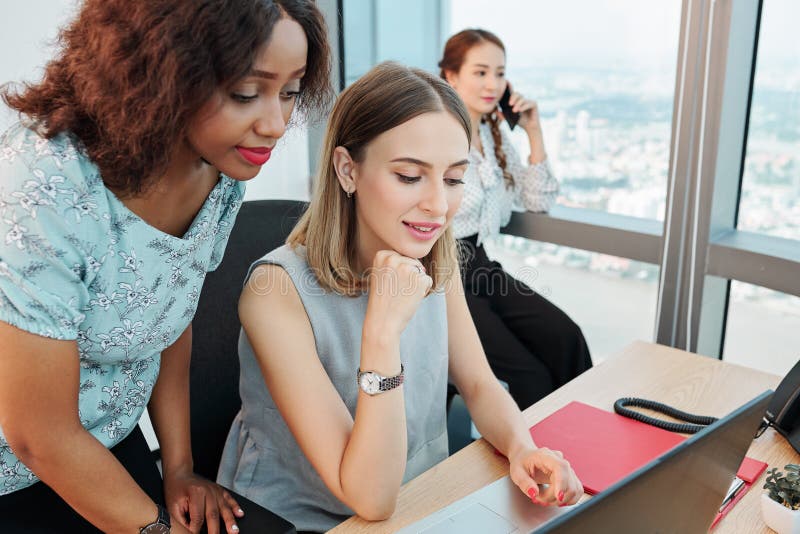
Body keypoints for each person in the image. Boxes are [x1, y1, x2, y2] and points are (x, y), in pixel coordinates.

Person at [0, 1, 332, 532]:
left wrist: (179, 469)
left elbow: (170, 318)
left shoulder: (221, 175)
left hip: (108, 435)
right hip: (15, 470)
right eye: (247, 93)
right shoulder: (44, 187)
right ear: (162, 73)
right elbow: (38, 434)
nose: (276, 124)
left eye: (291, 91)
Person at [216, 61, 583, 533]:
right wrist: (382, 333)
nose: (437, 205)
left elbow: (478, 384)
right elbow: (368, 498)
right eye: (410, 176)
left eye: (452, 179)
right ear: (348, 170)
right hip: (308, 520)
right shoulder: (275, 293)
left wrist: (522, 448)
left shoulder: (432, 259)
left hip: (417, 499)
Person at [439, 29, 593, 410]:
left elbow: (537, 200)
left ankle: (584, 436)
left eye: (499, 73)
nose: (493, 84)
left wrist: (533, 131)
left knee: (565, 337)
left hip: (478, 263)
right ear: (451, 76)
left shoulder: (491, 136)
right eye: (480, 72)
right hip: (439, 274)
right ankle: (538, 460)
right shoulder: (437, 135)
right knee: (528, 375)